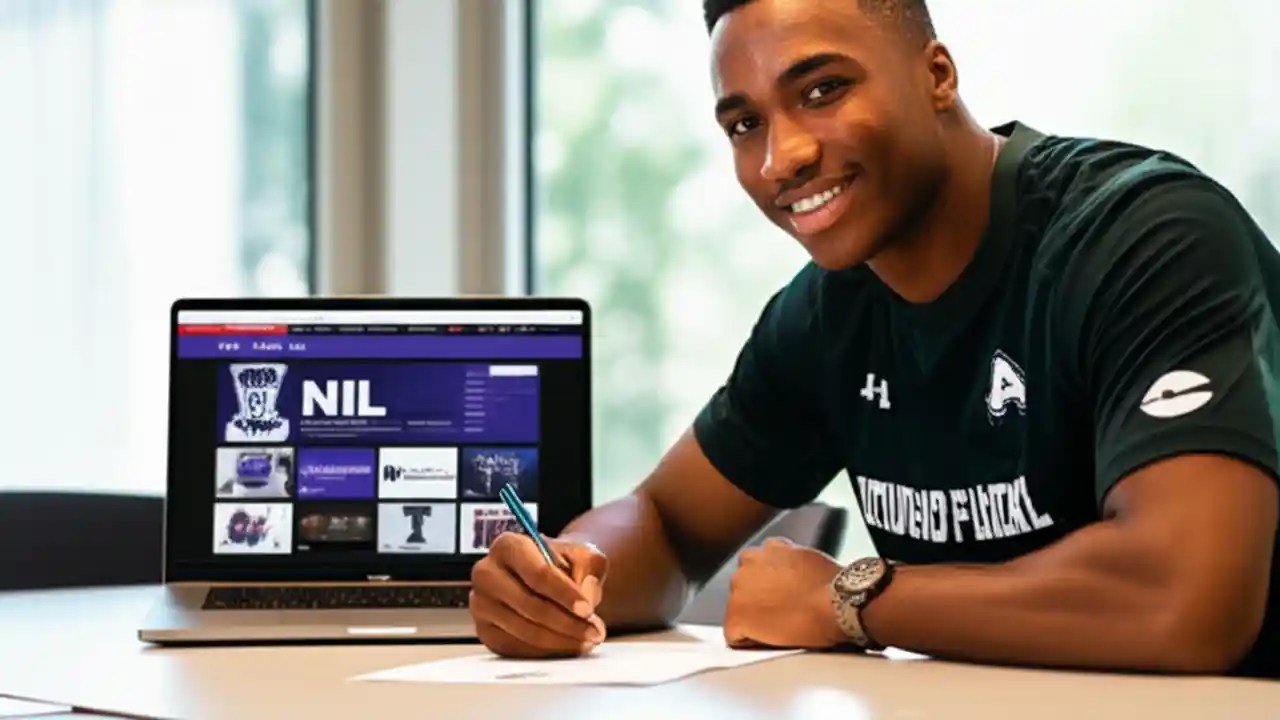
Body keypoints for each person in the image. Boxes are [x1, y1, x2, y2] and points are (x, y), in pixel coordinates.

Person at [469, 0, 1279, 678]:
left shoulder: (1147, 238)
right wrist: (560, 577)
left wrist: (848, 599)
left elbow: (1185, 600)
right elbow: (666, 524)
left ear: (938, 75)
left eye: (822, 90)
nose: (781, 158)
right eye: (745, 123)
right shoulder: (828, 315)